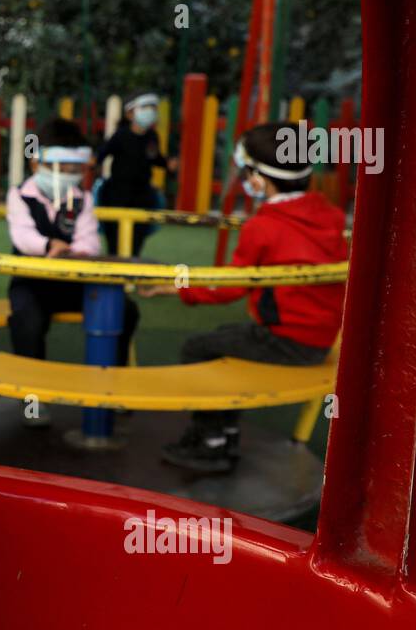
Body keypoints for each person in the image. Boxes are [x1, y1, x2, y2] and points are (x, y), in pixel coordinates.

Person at [141, 123, 348, 473]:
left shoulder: (262, 227)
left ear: (258, 179)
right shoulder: (329, 214)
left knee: (198, 347)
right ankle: (227, 431)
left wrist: (181, 288)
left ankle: (212, 443)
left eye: (245, 171)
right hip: (322, 337)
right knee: (225, 337)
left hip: (287, 340)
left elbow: (231, 287)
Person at [7, 118, 140, 428]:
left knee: (125, 311)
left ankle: (111, 386)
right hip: (32, 283)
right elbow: (23, 237)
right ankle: (32, 396)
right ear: (36, 162)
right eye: (62, 167)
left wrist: (76, 252)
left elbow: (89, 239)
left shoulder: (82, 199)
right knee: (27, 323)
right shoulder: (20, 196)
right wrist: (47, 244)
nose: (70, 176)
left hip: (73, 283)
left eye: (75, 169)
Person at [93, 92, 170, 257]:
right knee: (115, 240)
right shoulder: (121, 135)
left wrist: (168, 164)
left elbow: (155, 157)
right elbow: (102, 154)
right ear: (129, 113)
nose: (150, 111)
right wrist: (94, 165)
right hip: (117, 194)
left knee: (137, 239)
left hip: (142, 195)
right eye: (145, 108)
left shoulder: (152, 137)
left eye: (153, 108)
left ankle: (132, 270)